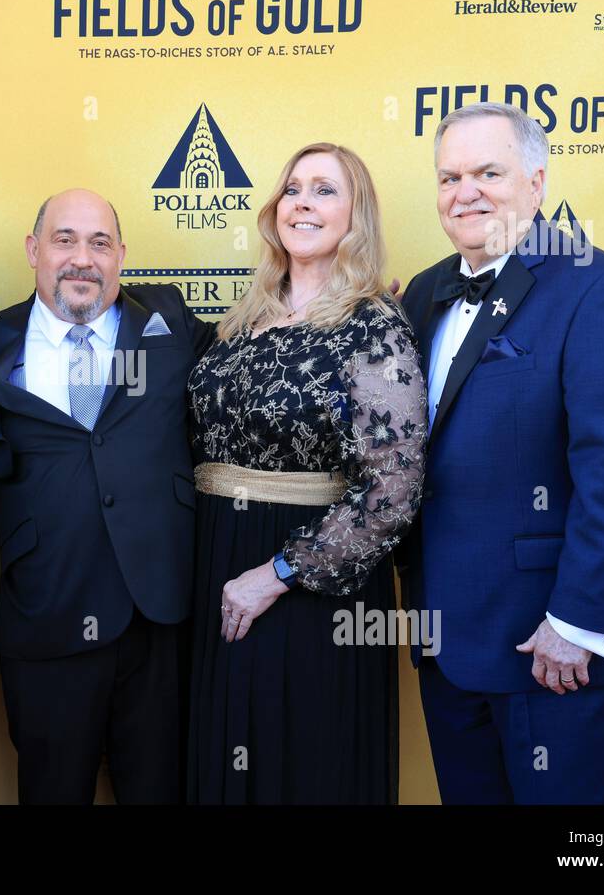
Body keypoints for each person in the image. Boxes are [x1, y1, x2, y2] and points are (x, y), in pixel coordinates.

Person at [399, 101, 604, 803]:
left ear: (537, 182)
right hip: (451, 647)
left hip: (554, 648)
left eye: (488, 171)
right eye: (449, 176)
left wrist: (576, 622)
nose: (466, 192)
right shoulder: (426, 293)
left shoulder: (600, 287)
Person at [187, 143, 426, 803]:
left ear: (357, 216)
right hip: (217, 566)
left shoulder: (374, 326)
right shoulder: (240, 320)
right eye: (293, 188)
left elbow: (393, 491)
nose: (302, 202)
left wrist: (277, 575)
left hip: (312, 586)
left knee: (303, 765)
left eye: (324, 189)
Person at [0, 189, 213, 803]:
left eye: (100, 243)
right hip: (47, 616)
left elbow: (264, 354)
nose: (82, 258)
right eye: (65, 240)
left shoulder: (169, 322)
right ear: (34, 250)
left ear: (121, 256)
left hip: (159, 615)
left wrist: (341, 313)